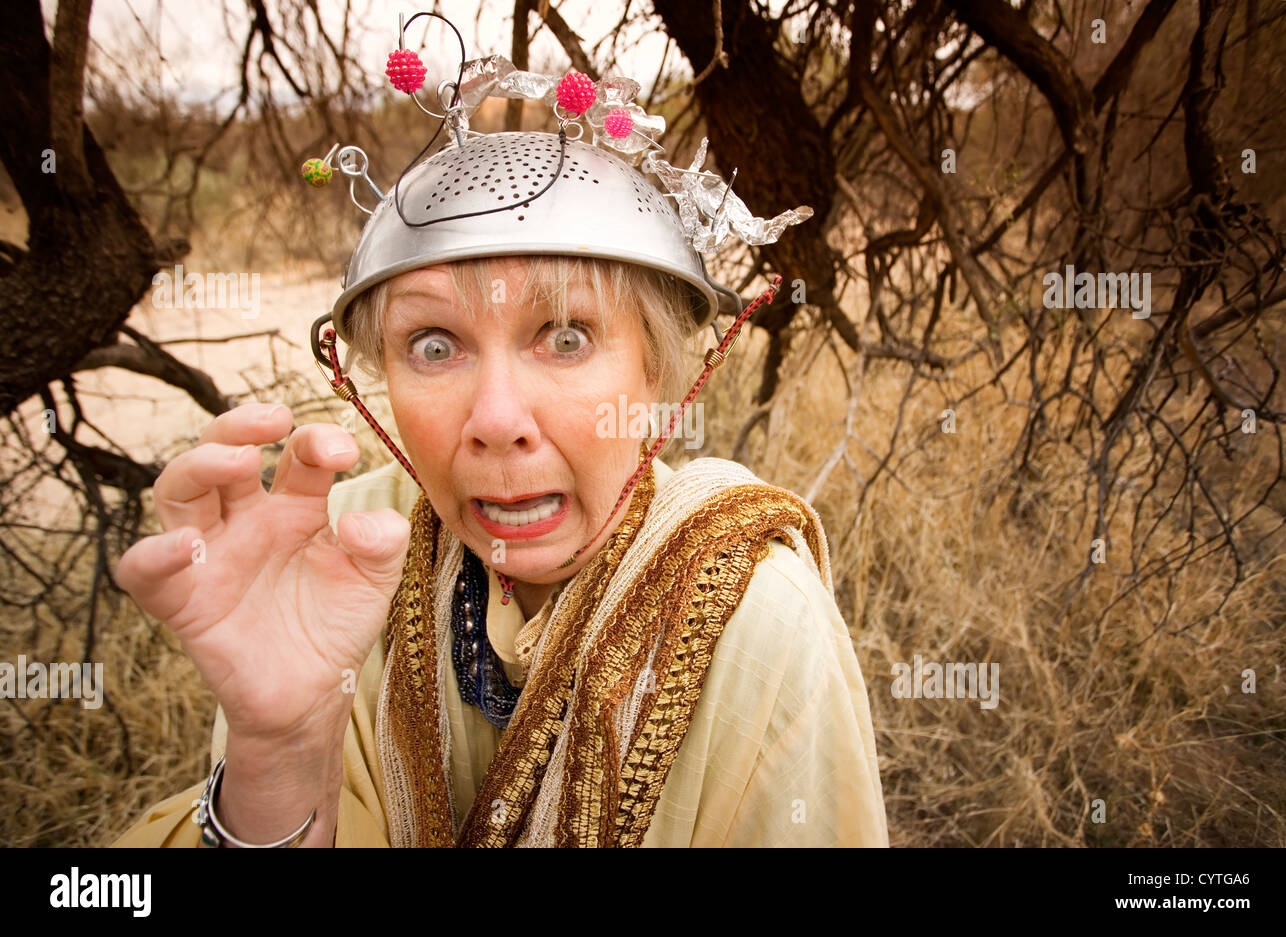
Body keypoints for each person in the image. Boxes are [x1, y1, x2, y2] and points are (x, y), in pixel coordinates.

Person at [109, 24, 888, 848]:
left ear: (657, 372)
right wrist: (280, 747)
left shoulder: (750, 616)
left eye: (566, 337)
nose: (497, 422)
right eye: (434, 346)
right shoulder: (337, 562)